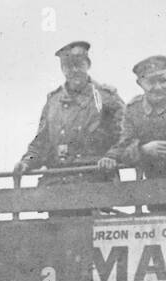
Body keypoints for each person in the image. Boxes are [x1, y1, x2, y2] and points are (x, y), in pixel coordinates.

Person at [13, 41, 124, 186]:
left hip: (95, 180)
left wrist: (111, 157)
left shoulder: (106, 97)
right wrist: (27, 162)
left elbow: (126, 136)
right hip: (57, 181)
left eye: (79, 65)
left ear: (88, 65)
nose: (74, 70)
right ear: (62, 69)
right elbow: (41, 142)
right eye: (68, 66)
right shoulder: (53, 101)